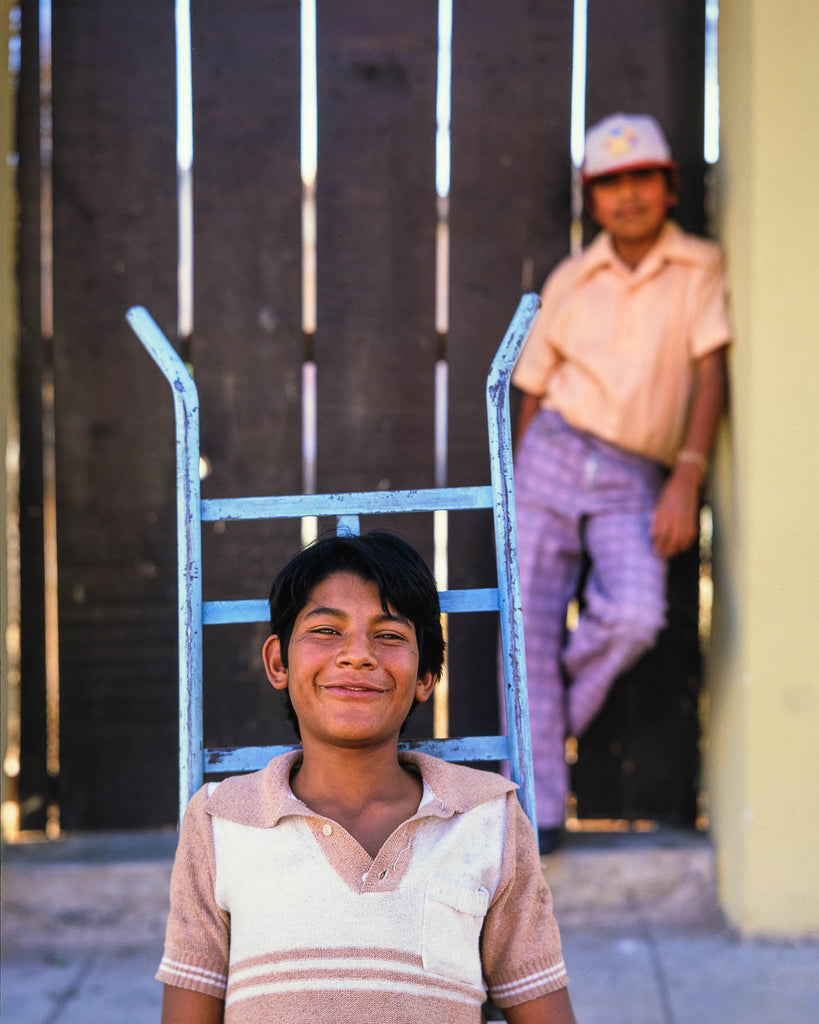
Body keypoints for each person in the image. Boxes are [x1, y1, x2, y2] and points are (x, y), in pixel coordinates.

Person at [156, 530, 577, 1024]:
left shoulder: (488, 817)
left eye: (390, 635)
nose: (358, 654)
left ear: (426, 677)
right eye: (327, 631)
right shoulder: (219, 820)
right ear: (278, 662)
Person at [511, 112, 731, 851]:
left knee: (635, 614)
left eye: (640, 177)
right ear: (589, 196)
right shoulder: (572, 279)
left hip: (636, 472)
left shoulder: (699, 268)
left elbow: (709, 376)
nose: (626, 195)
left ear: (668, 186)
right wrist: (516, 480)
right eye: (608, 184)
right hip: (551, 450)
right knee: (528, 625)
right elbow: (534, 388)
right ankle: (540, 817)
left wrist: (686, 477)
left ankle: (547, 714)